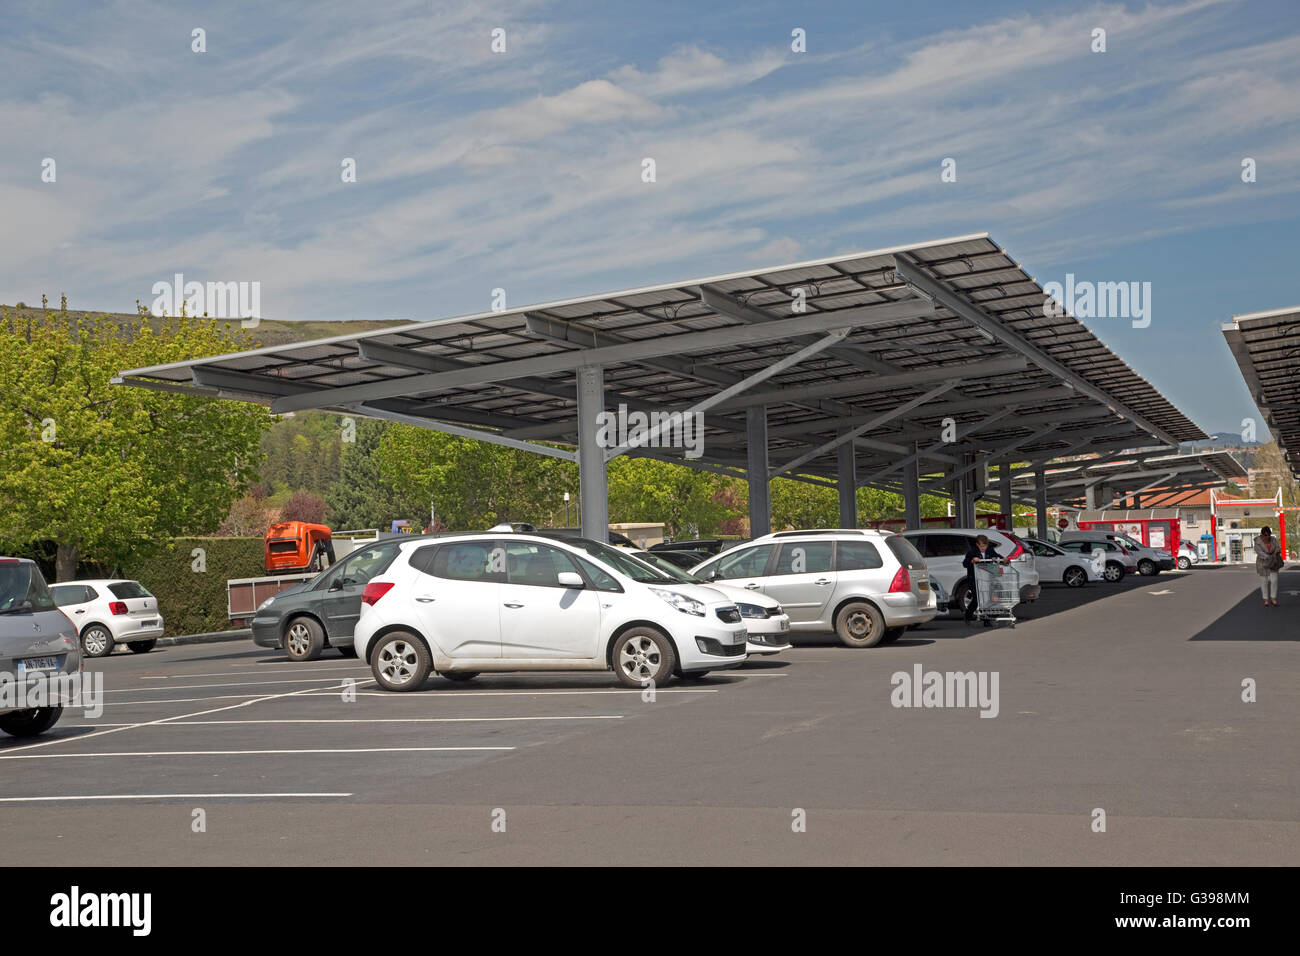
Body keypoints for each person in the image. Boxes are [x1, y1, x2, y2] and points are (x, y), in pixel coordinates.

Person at [962, 533, 1001, 623]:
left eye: (985, 546)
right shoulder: (972, 552)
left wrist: (1004, 559)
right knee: (976, 599)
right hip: (975, 580)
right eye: (981, 546)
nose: (983, 548)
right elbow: (965, 564)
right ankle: (968, 615)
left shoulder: (990, 551)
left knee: (986, 599)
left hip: (986, 579)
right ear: (977, 545)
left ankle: (986, 620)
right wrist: (972, 560)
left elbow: (997, 556)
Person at [1255, 526, 1283, 607]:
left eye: (1269, 535)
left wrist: (1278, 550)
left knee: (1274, 580)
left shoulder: (1273, 539)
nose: (1267, 537)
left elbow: (1277, 547)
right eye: (1265, 535)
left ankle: (1273, 598)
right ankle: (1266, 599)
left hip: (1273, 563)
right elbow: (1260, 553)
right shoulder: (1257, 541)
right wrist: (1272, 554)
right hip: (1262, 563)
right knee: (1264, 582)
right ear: (1262, 535)